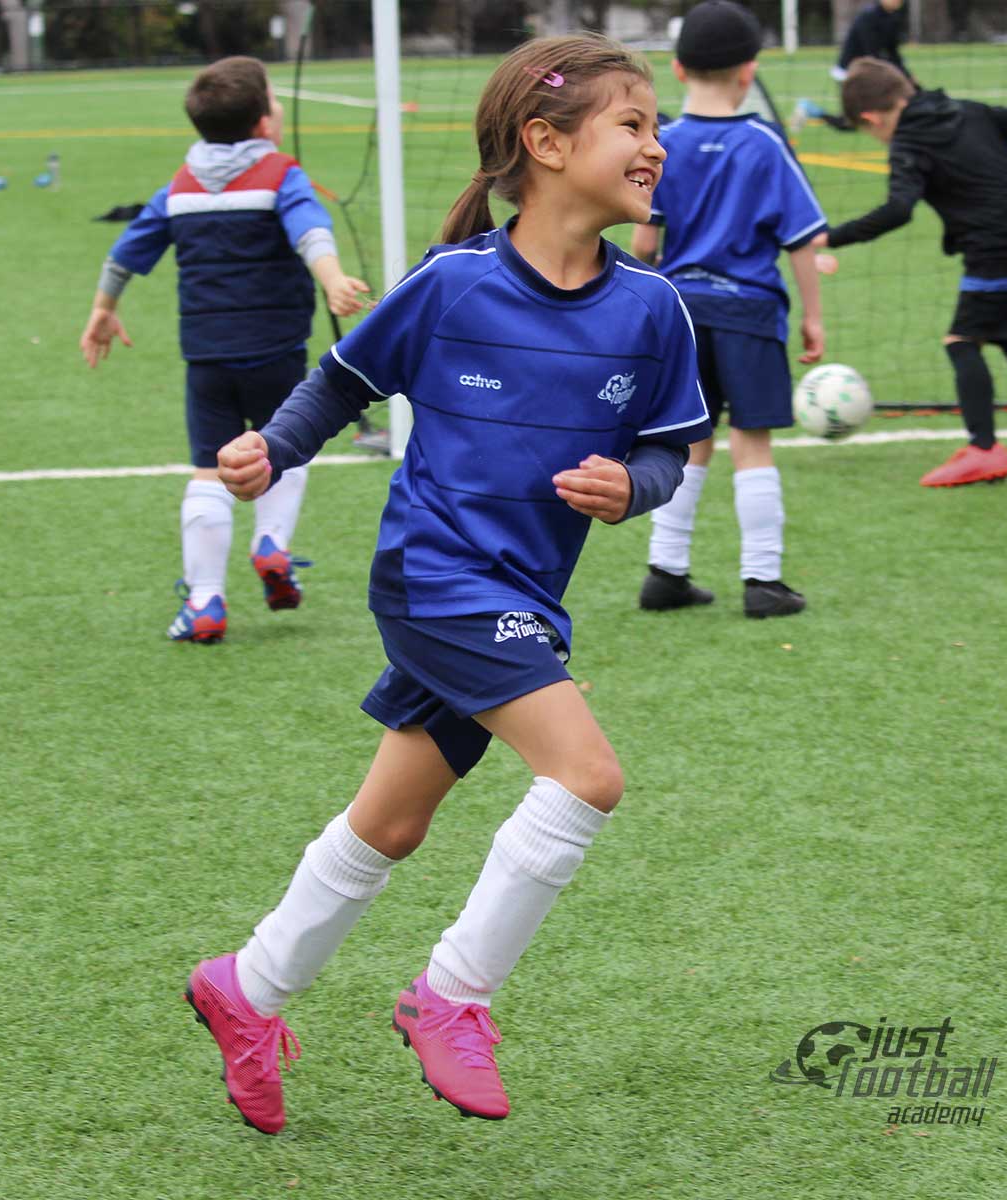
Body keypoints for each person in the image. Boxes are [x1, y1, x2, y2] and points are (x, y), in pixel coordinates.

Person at [183, 33, 712, 1131]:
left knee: (393, 824)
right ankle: (453, 996)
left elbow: (670, 449)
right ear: (546, 143)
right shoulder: (452, 285)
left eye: (657, 126)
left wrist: (634, 486)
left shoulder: (652, 309)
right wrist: (273, 449)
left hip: (529, 594)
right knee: (587, 776)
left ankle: (249, 986)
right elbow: (343, 380)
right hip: (437, 578)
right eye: (633, 123)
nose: (655, 145)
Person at [79, 55, 369, 642]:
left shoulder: (179, 187)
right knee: (282, 446)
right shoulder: (281, 175)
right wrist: (333, 278)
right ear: (265, 121)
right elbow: (310, 231)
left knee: (209, 471)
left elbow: (125, 254)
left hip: (208, 360)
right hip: (277, 351)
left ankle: (206, 603)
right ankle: (272, 544)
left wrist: (103, 309)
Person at [632, 1, 825, 620]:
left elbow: (643, 242)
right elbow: (802, 240)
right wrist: (813, 317)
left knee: (691, 442)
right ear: (750, 71)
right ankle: (763, 581)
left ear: (678, 69)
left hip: (683, 314)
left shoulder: (664, 144)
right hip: (749, 312)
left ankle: (665, 572)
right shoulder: (765, 144)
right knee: (752, 442)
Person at [813, 57, 1007, 486]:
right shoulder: (967, 109)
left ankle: (983, 449)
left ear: (872, 118)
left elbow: (899, 210)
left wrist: (831, 237)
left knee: (962, 342)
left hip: (1000, 246)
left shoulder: (909, 142)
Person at [793, 0, 917, 134]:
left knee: (878, 113)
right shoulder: (868, 17)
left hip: (868, 69)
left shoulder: (893, 17)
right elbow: (872, 53)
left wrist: (907, 75)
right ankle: (810, 109)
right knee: (850, 123)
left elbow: (892, 52)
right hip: (849, 72)